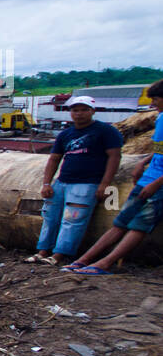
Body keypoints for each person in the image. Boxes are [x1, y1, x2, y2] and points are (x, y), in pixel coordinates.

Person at [67, 80, 163, 274]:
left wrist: (156, 184)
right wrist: (142, 163)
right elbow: (159, 149)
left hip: (157, 183)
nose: (153, 103)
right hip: (148, 177)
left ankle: (105, 263)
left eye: (156, 99)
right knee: (121, 221)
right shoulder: (161, 118)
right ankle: (83, 260)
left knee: (139, 226)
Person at [25, 95, 122, 266]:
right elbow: (54, 158)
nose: (79, 114)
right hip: (63, 182)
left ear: (93, 111)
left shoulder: (105, 131)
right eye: (75, 110)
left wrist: (104, 184)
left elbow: (114, 157)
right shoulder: (66, 134)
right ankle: (42, 251)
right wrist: (47, 183)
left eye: (84, 110)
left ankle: (59, 255)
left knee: (73, 220)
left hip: (87, 183)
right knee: (50, 217)